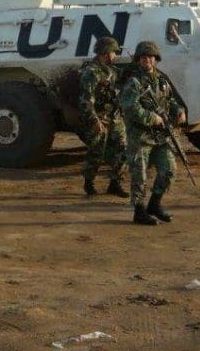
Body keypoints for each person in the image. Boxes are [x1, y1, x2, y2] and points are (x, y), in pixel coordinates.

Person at [120, 40, 186, 226]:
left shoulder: (162, 80)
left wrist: (179, 110)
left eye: (150, 57)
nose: (146, 60)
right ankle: (139, 211)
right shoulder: (134, 82)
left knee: (169, 169)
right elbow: (130, 107)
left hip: (160, 136)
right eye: (142, 57)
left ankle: (154, 204)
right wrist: (152, 118)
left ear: (156, 59)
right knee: (139, 175)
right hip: (140, 137)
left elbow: (171, 100)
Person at [78, 36, 128, 197]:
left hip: (114, 117)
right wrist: (94, 120)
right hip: (99, 118)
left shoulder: (110, 69)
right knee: (96, 152)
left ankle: (115, 182)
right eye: (114, 52)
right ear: (106, 53)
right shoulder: (91, 72)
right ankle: (89, 183)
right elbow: (86, 100)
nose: (115, 55)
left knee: (124, 149)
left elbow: (122, 76)